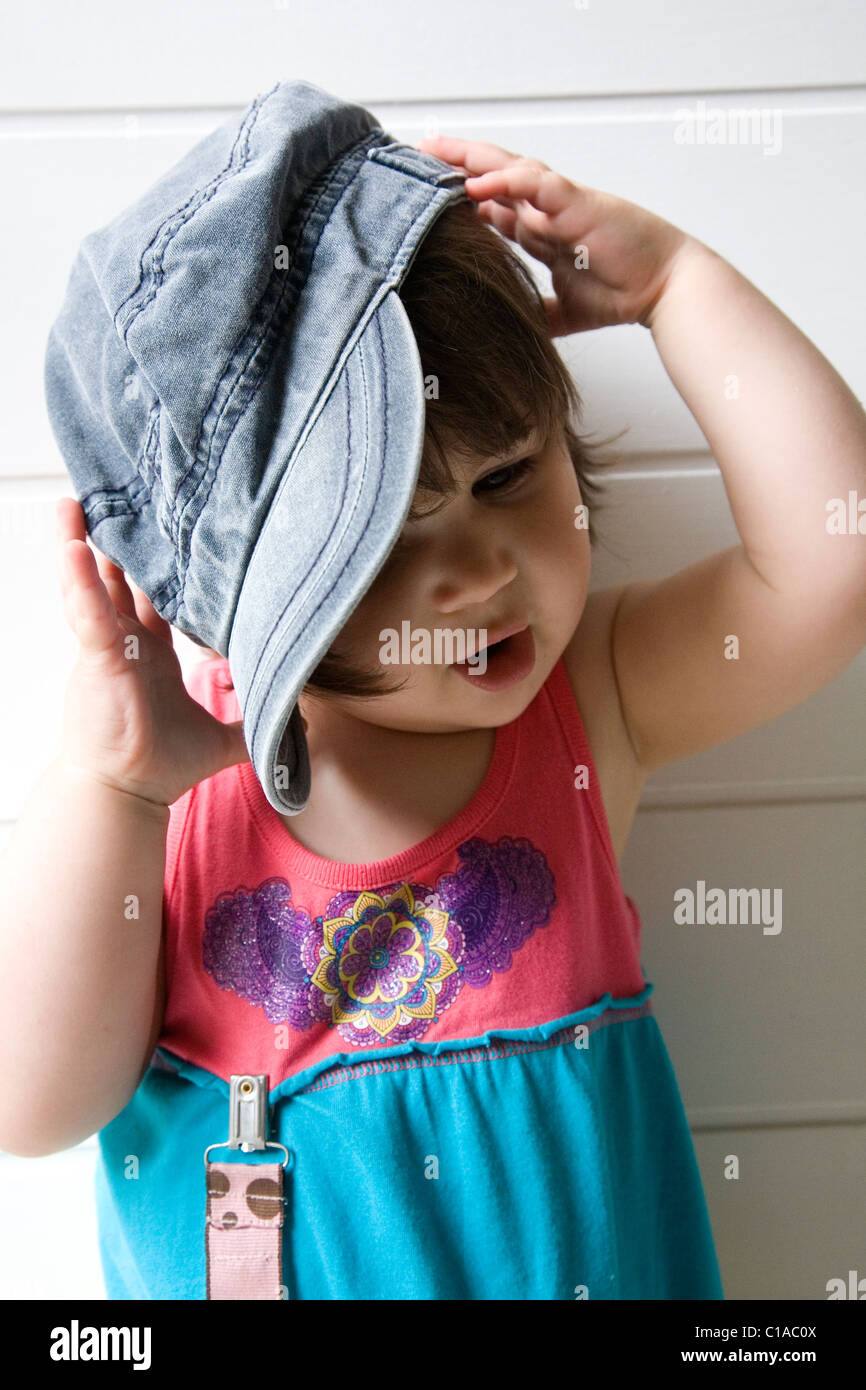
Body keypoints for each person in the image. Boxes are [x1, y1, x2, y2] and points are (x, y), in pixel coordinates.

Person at [2, 131, 865, 1302]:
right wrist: (112, 783)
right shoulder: (170, 787)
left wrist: (675, 286)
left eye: (508, 476)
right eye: (381, 544)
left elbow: (832, 560)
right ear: (235, 586)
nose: (478, 573)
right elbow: (33, 1104)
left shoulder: (586, 705)